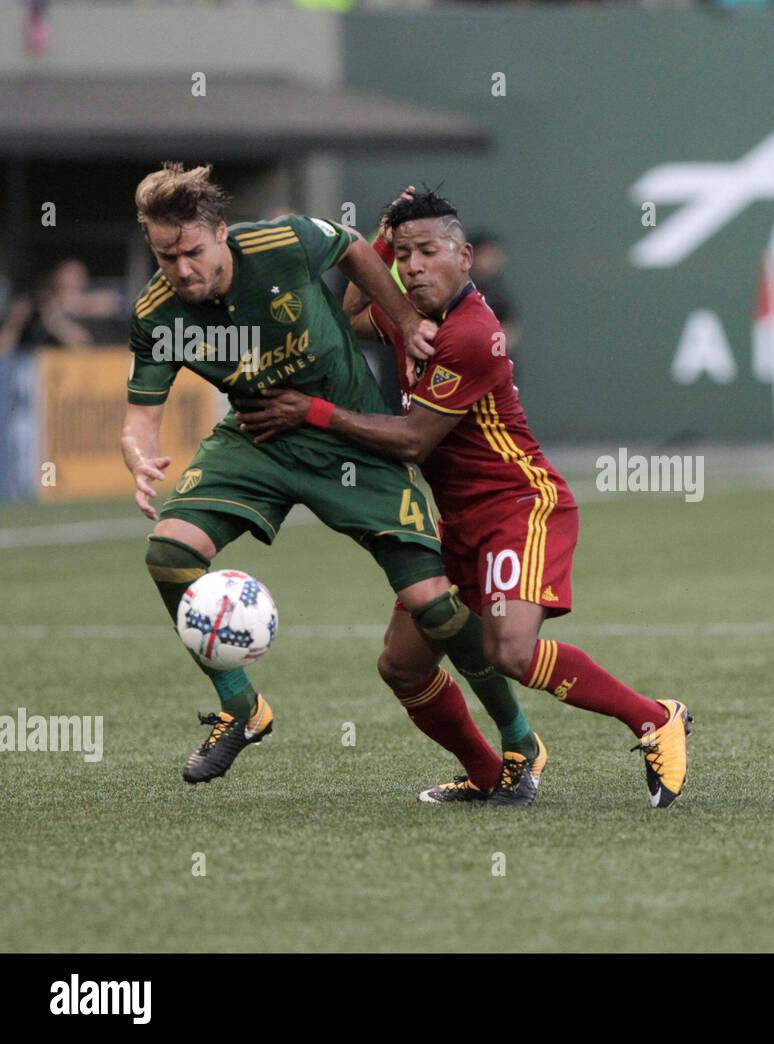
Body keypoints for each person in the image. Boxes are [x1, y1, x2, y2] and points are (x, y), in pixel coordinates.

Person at [234, 188, 693, 808]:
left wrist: (310, 411)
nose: (414, 264)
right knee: (401, 666)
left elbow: (413, 440)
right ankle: (490, 770)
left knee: (511, 650)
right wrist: (377, 240)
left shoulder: (474, 333)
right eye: (404, 254)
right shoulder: (411, 319)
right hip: (457, 522)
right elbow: (349, 312)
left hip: (519, 507)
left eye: (428, 251)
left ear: (465, 256)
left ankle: (654, 717)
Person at [120, 163, 541, 797]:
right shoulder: (157, 311)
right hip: (259, 437)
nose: (180, 269)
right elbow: (141, 416)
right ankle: (242, 707)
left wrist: (401, 320)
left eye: (191, 252)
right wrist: (139, 454)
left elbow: (348, 245)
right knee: (169, 553)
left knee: (435, 607)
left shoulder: (280, 242)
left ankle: (518, 738)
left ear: (222, 234)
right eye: (165, 255)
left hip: (351, 436)